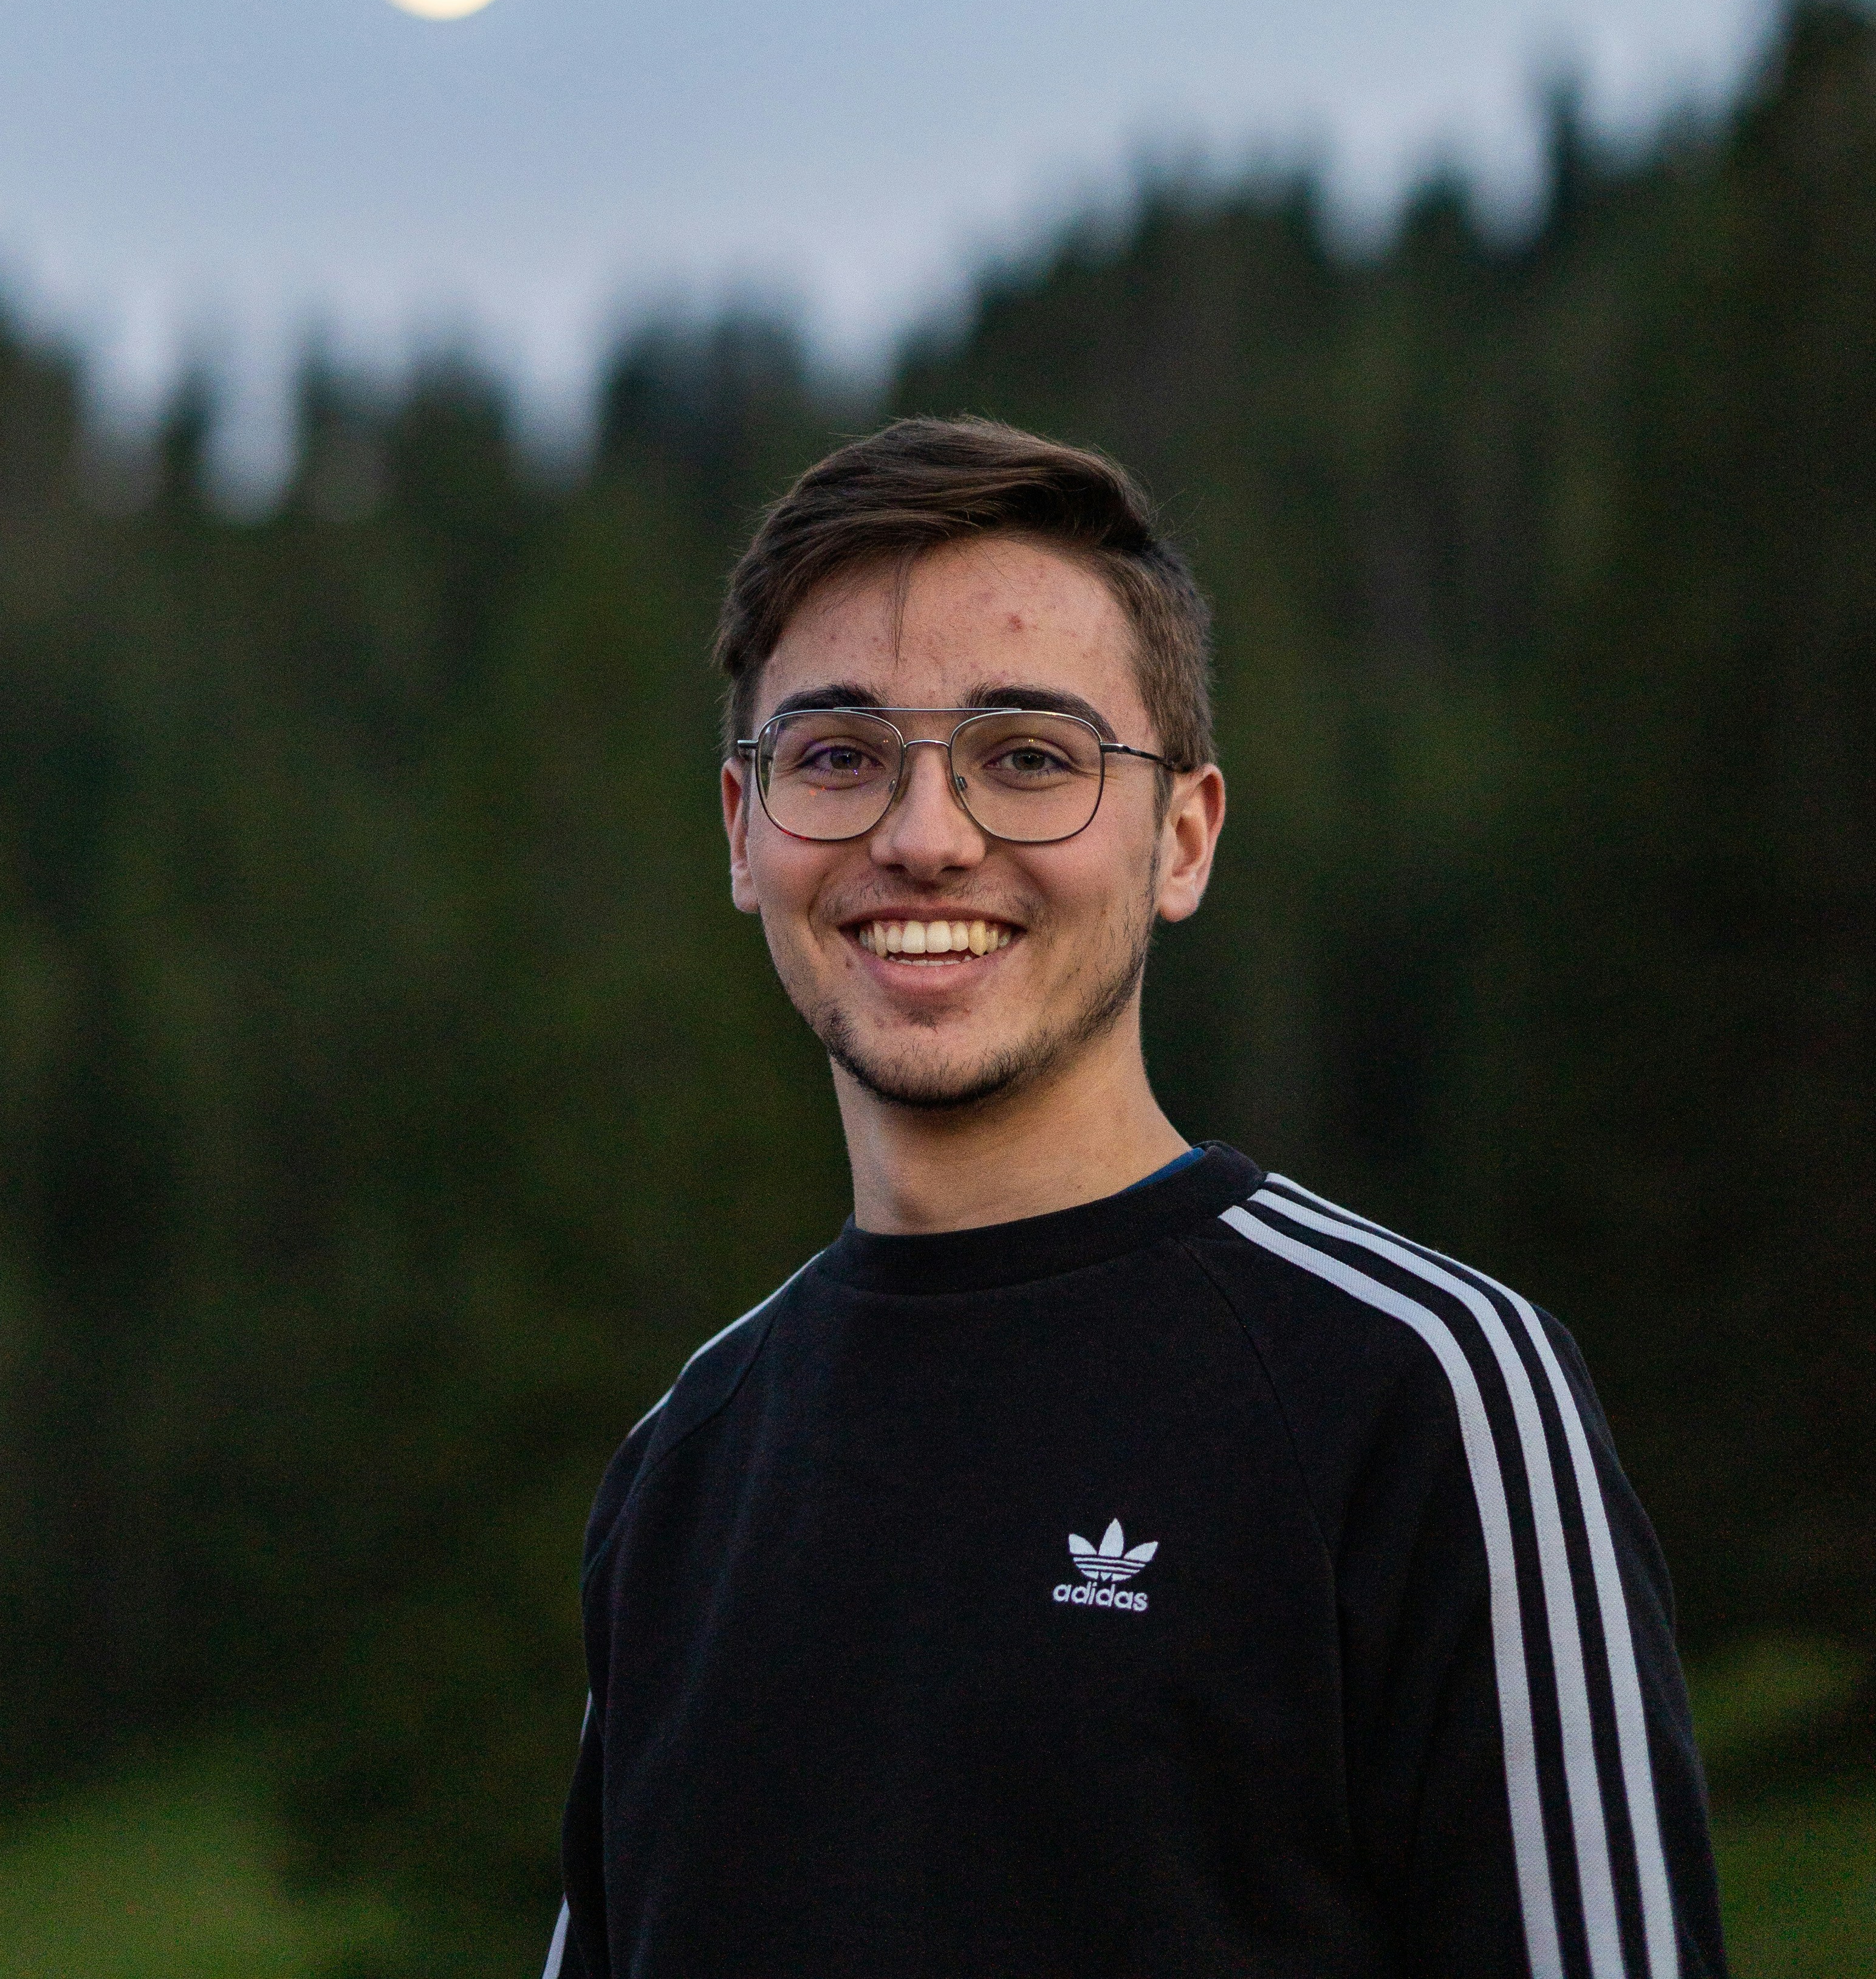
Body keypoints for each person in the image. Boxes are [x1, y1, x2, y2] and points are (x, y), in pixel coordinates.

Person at [545, 416, 1726, 1977]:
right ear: (743, 834)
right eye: (835, 756)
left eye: (1026, 758)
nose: (922, 838)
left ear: (1180, 837)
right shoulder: (681, 1466)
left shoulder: (1424, 1390)